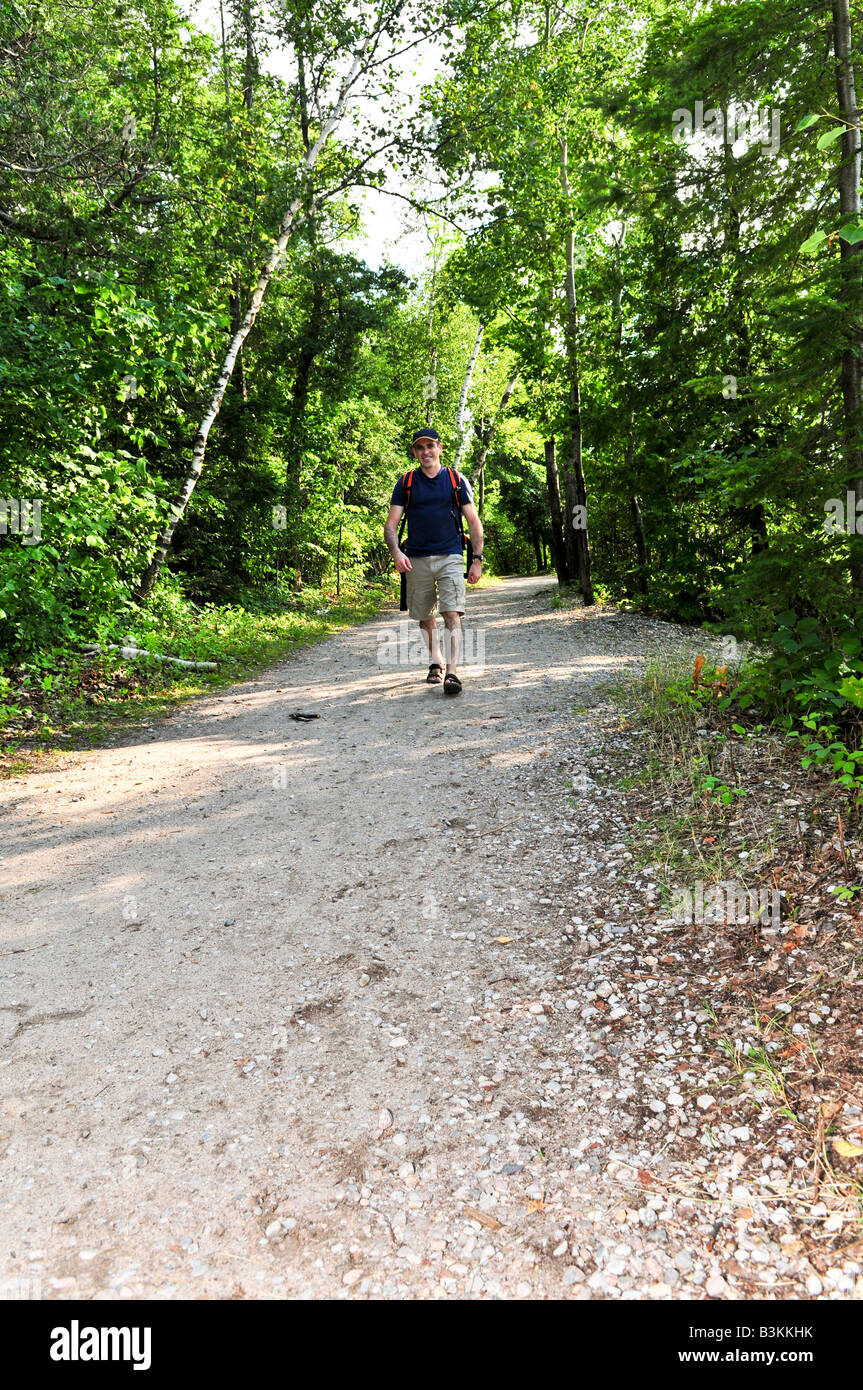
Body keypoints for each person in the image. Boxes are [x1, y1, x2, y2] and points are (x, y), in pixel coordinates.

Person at [384, 428, 484, 695]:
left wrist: (477, 559)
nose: (425, 451)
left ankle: (452, 673)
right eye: (419, 447)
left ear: (440, 448)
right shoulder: (405, 482)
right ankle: (436, 662)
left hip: (451, 554)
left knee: (452, 613)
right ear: (415, 452)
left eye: (430, 446)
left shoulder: (456, 479)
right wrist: (397, 553)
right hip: (416, 558)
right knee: (425, 618)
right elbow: (391, 525)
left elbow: (473, 522)